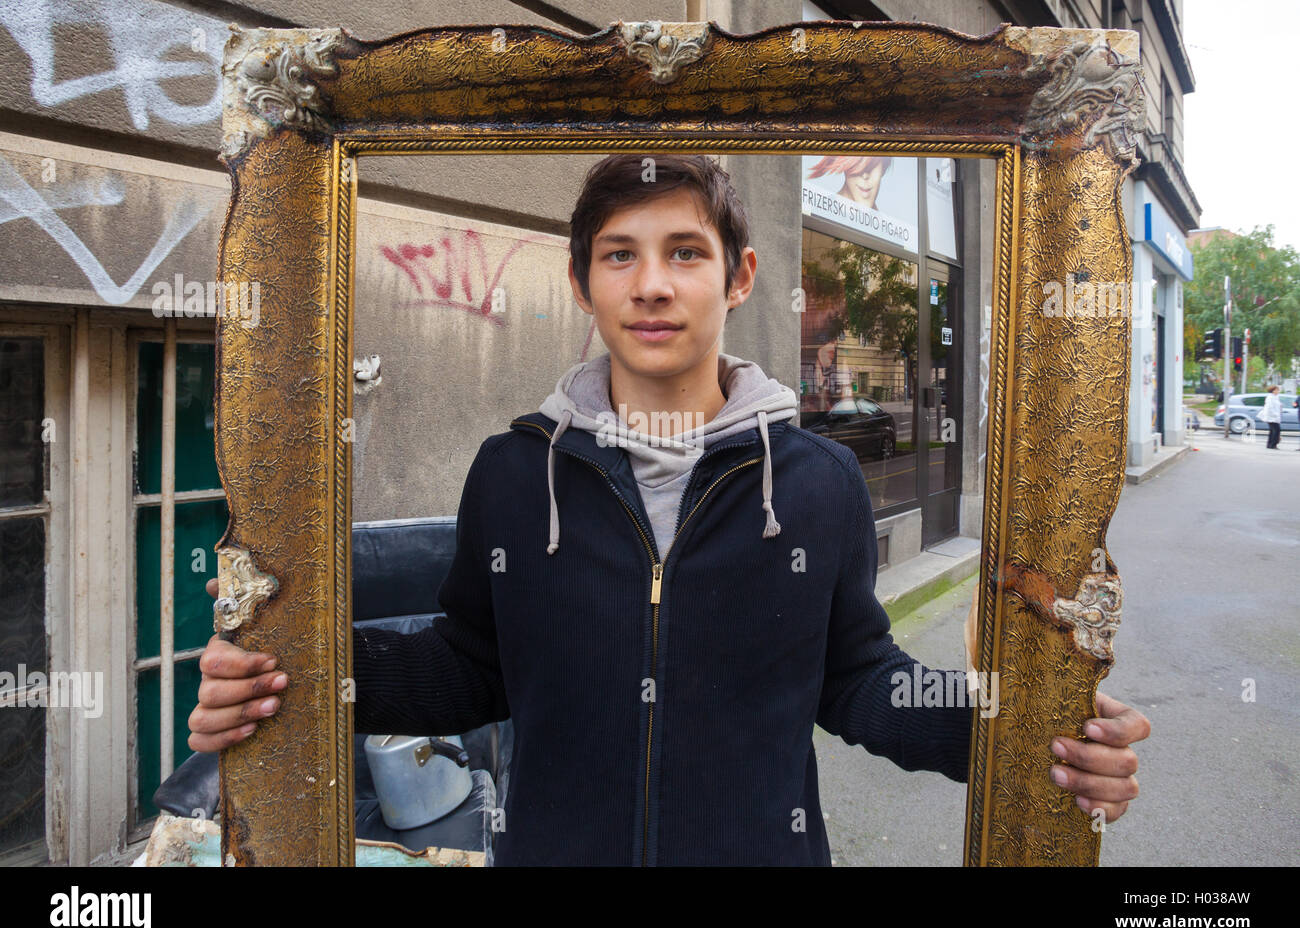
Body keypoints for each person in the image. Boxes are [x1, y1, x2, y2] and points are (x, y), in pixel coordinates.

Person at [187, 154, 1149, 865]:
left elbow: (857, 679)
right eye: (620, 256)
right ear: (583, 283)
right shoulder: (514, 476)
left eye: (685, 252)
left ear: (739, 277)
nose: (651, 284)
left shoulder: (817, 483)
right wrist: (294, 666)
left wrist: (1020, 725)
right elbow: (472, 667)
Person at [1260, 385, 1283, 449]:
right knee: (1277, 430)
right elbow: (1270, 407)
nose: (1278, 391)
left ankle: (1270, 444)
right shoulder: (1270, 397)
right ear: (1273, 391)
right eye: (1276, 390)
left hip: (1275, 417)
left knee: (1273, 431)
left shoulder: (1276, 397)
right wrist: (1275, 414)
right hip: (1271, 417)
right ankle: (1273, 444)